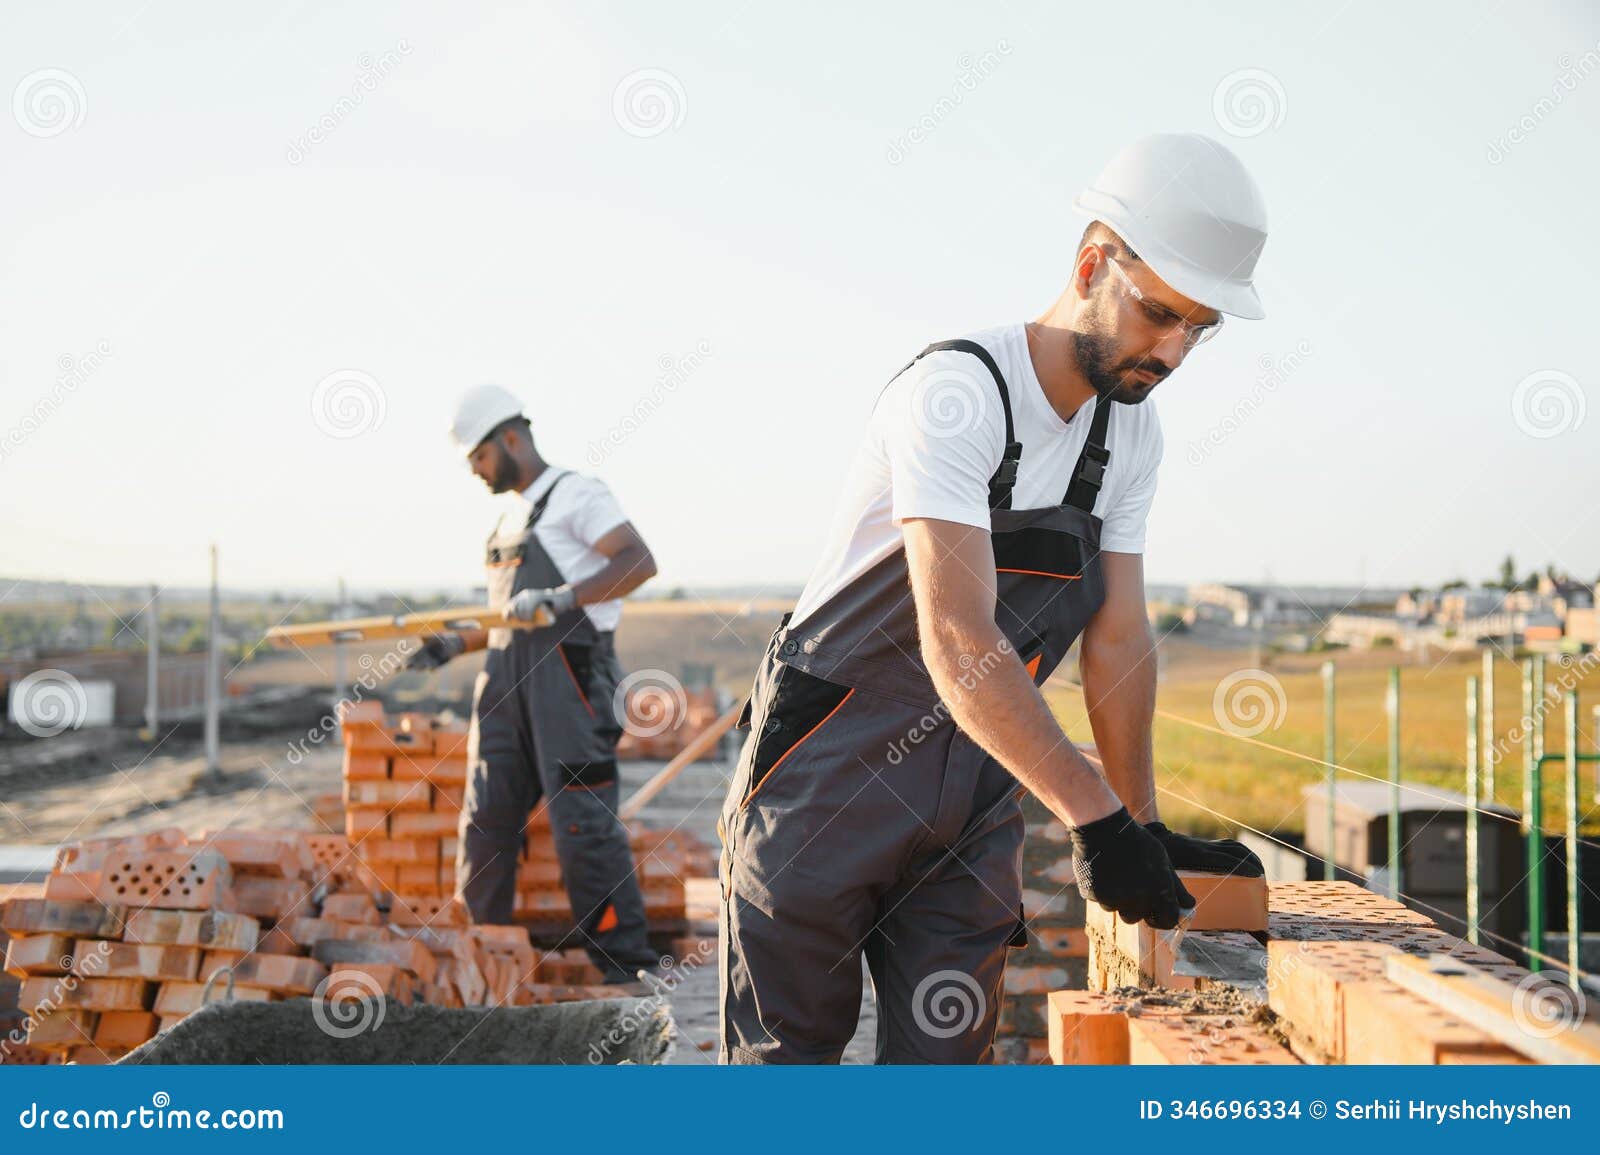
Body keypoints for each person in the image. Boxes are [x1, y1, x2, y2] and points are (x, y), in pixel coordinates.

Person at [719, 133, 1269, 1063]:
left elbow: (1120, 637)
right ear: (1094, 263)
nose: (1174, 350)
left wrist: (1139, 828)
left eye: (1199, 327)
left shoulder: (1129, 436)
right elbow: (959, 639)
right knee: (786, 1069)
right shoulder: (957, 395)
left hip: (973, 789)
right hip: (826, 774)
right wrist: (1092, 816)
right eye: (1160, 313)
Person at [410, 384, 660, 983]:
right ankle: (479, 958)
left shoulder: (577, 495)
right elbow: (506, 620)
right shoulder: (506, 519)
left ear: (512, 438)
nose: (474, 470)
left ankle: (623, 968)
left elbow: (637, 560)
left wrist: (563, 597)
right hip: (503, 688)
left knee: (581, 823)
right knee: (486, 817)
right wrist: (456, 641)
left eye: (479, 456)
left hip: (568, 685)